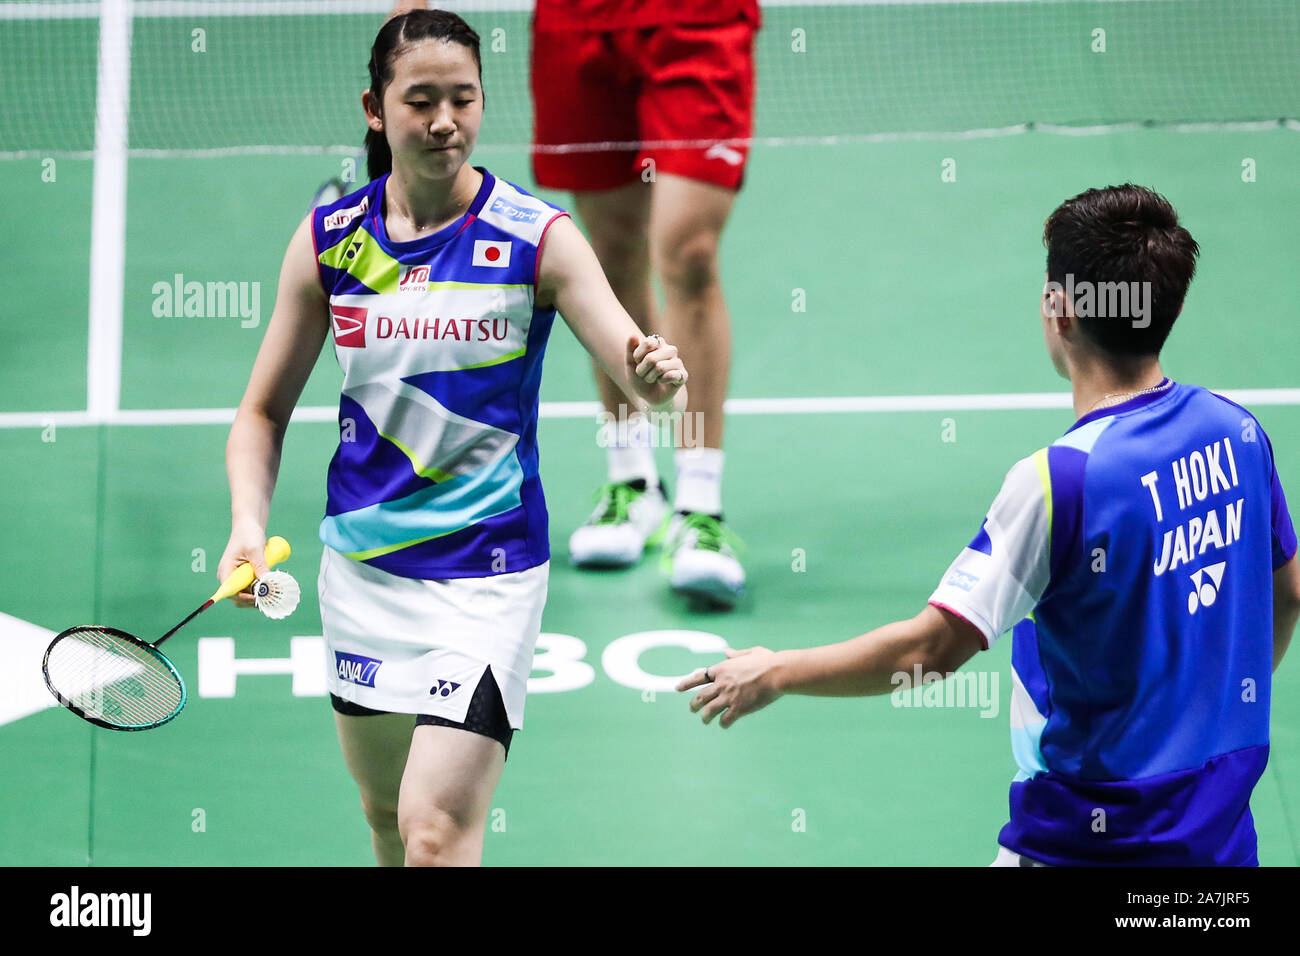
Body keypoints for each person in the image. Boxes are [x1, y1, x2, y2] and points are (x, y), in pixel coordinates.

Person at [676, 184, 1300, 866]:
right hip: (1220, 842)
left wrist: (776, 672)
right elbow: (1288, 592)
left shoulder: (1061, 483)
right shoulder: (1237, 431)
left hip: (1085, 843)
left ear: (1057, 310)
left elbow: (928, 653)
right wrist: (1204, 711)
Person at [220, 9, 687, 867]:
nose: (444, 121)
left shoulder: (534, 237)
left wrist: (649, 376)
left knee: (434, 834)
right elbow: (261, 413)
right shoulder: (331, 242)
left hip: (488, 575)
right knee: (385, 825)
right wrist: (248, 525)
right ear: (376, 108)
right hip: (362, 571)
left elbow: (627, 355)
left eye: (463, 99)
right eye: (421, 100)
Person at [530, 0, 761, 608]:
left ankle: (699, 504)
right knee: (608, 251)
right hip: (578, 19)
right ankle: (633, 479)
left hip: (695, 19)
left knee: (688, 254)